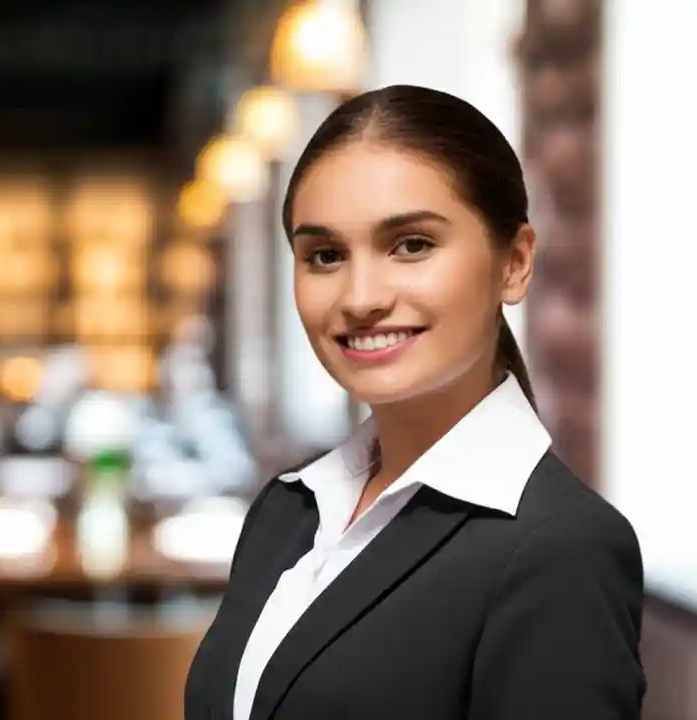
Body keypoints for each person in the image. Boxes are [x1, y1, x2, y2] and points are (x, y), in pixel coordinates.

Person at [184, 85, 644, 720]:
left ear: (513, 262)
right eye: (325, 255)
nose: (361, 296)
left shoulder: (561, 550)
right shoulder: (288, 510)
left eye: (411, 245)